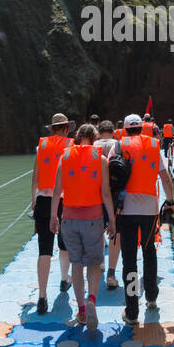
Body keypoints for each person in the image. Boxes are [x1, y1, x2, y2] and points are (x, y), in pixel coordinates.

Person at [50, 124, 116, 332]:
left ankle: (81, 311)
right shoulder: (102, 160)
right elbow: (105, 194)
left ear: (77, 138)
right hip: (93, 219)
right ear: (94, 139)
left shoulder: (65, 158)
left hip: (69, 218)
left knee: (76, 264)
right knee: (95, 262)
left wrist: (53, 216)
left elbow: (56, 191)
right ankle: (92, 300)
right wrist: (112, 220)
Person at [116, 114, 174, 325]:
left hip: (125, 212)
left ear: (124, 129)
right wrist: (170, 201)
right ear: (142, 128)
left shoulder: (118, 145)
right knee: (149, 253)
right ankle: (151, 297)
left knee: (129, 260)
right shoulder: (153, 146)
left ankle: (132, 312)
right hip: (149, 210)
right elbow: (165, 177)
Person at [30, 113, 73, 314]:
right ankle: (64, 280)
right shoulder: (71, 146)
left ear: (52, 129)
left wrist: (34, 200)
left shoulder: (41, 147)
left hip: (43, 202)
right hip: (64, 201)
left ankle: (42, 297)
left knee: (44, 250)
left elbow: (35, 178)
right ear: (66, 129)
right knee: (64, 245)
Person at [96, 121, 123, 289]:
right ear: (113, 132)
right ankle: (111, 274)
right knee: (115, 233)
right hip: (113, 194)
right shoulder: (117, 145)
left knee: (97, 230)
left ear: (99, 132)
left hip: (96, 194)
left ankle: (99, 263)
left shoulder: (93, 146)